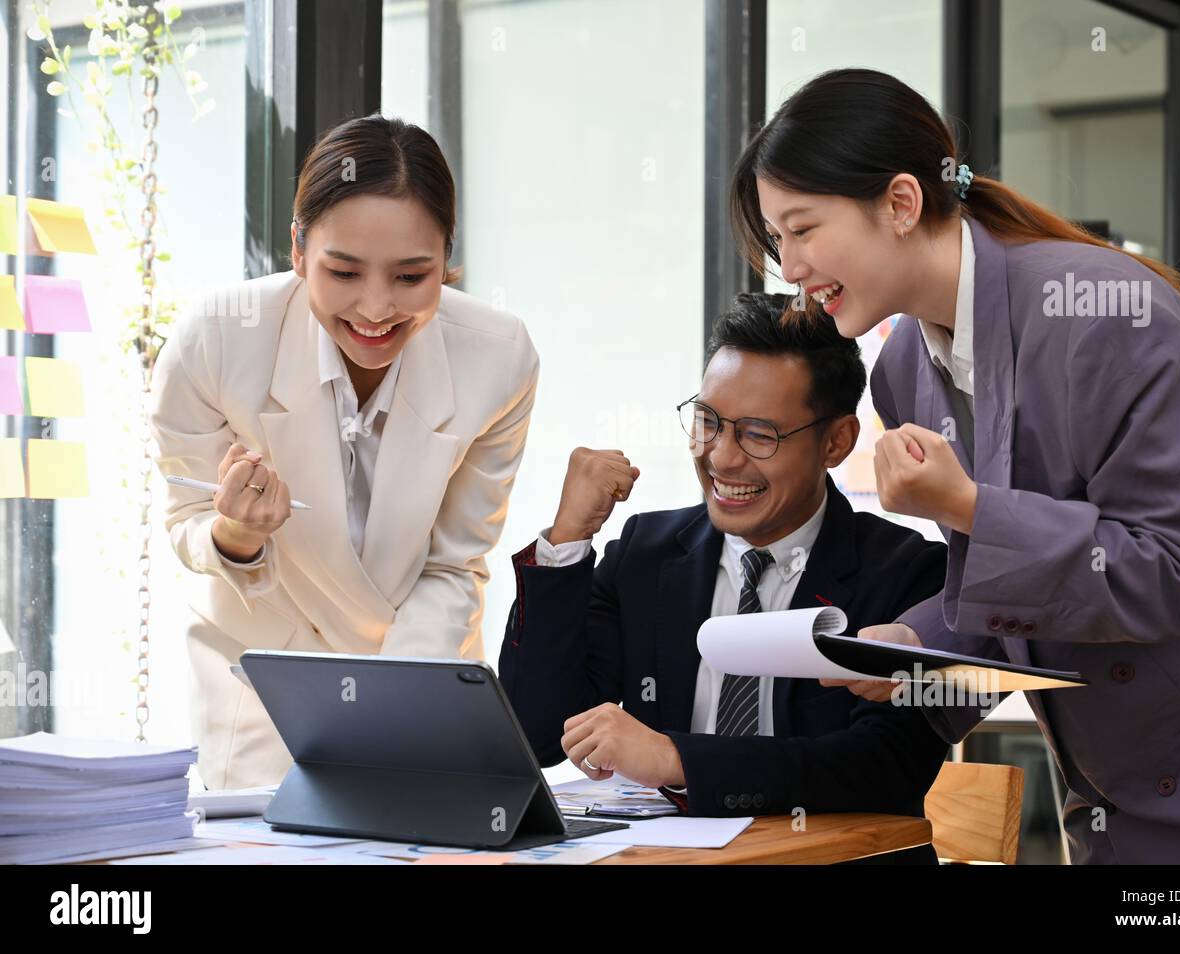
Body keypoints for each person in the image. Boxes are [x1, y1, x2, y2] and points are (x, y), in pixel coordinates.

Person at [730, 67, 1180, 863]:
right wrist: (911, 643)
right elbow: (1012, 588)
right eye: (776, 238)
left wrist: (968, 507)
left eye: (802, 229)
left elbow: (1174, 571)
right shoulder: (903, 372)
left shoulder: (1107, 316)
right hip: (1109, 775)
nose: (787, 265)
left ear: (899, 204)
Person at [149, 114, 539, 789]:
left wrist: (391, 710)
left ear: (447, 259)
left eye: (413, 276)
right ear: (298, 249)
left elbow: (453, 563)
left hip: (421, 674)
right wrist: (237, 532)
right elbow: (187, 523)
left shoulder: (498, 360)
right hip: (268, 690)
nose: (376, 308)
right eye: (345, 271)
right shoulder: (215, 341)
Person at [498, 292, 949, 857]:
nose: (722, 458)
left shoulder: (907, 572)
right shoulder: (647, 552)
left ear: (837, 442)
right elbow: (536, 733)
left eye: (759, 435)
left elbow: (883, 768)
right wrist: (565, 540)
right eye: (708, 422)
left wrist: (676, 760)